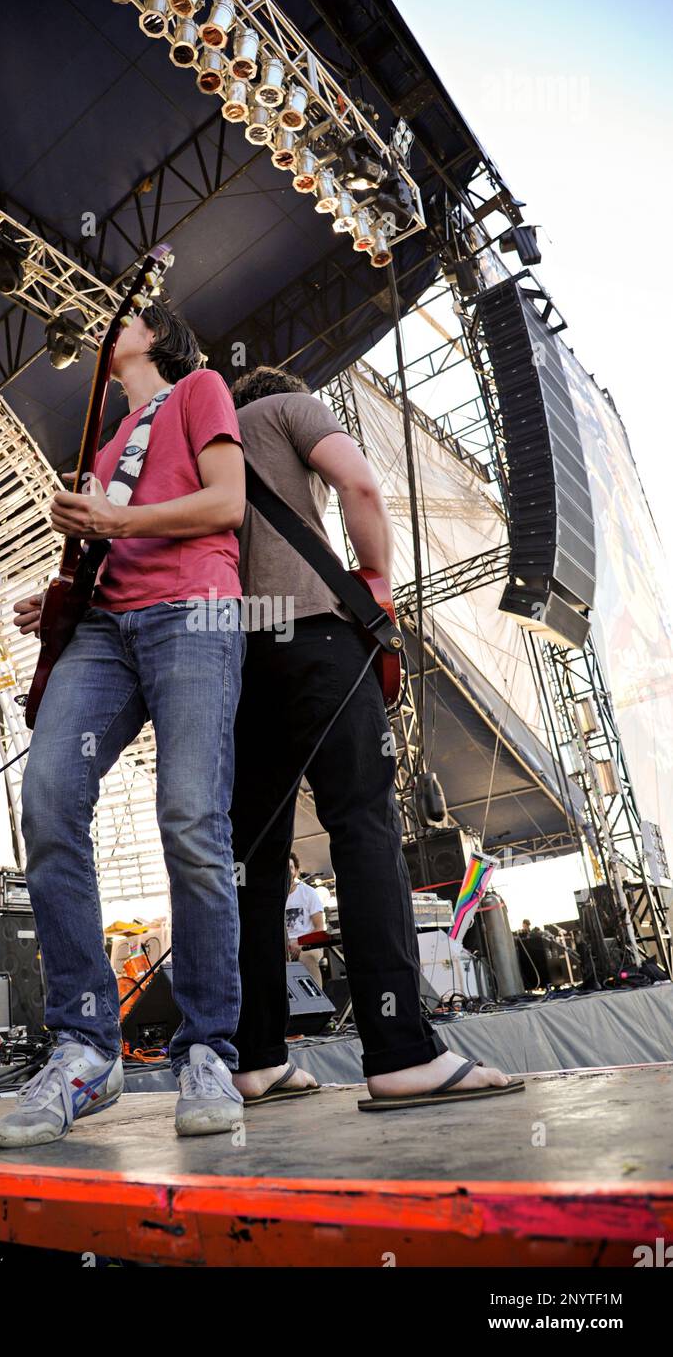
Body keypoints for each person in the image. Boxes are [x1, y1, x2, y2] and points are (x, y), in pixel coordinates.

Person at [229, 366, 523, 1110]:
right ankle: (398, 1052)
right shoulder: (292, 407)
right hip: (318, 641)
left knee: (254, 862)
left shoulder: (208, 435)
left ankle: (256, 1057)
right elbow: (359, 486)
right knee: (363, 828)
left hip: (235, 656)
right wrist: (376, 580)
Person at [0, 304, 247, 1147]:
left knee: (189, 819)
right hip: (107, 627)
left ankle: (207, 1048)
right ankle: (86, 1048)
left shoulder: (200, 388)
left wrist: (117, 522)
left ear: (162, 337)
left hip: (194, 612)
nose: (111, 326)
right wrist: (60, 596)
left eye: (129, 316)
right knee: (50, 798)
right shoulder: (102, 447)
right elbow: (102, 552)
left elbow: (228, 503)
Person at [285, 852, 326, 987]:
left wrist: (300, 943)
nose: (287, 871)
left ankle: (317, 1003)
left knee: (306, 958)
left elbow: (319, 928)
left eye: (290, 867)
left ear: (296, 871)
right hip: (286, 947)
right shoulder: (275, 899)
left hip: (308, 944)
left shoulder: (308, 893)